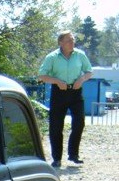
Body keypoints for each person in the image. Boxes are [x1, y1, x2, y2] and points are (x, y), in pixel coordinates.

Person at [38, 30, 93, 168]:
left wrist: (82, 79)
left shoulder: (80, 55)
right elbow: (42, 76)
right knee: (56, 126)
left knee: (79, 122)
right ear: (61, 42)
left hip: (76, 91)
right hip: (59, 92)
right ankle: (56, 158)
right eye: (69, 40)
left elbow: (89, 71)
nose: (72, 42)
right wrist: (56, 81)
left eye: (73, 40)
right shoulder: (52, 57)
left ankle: (73, 155)